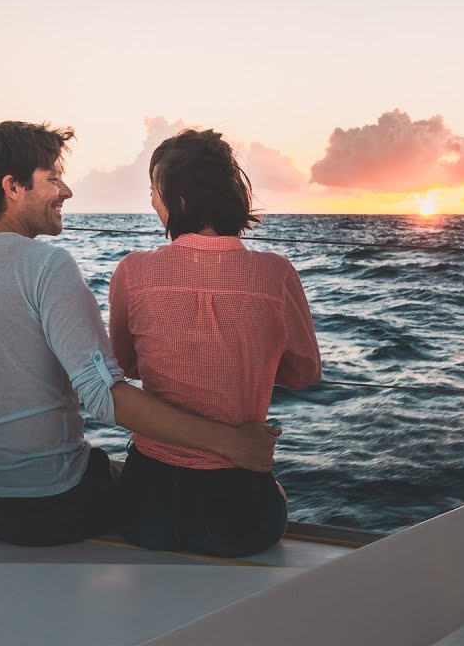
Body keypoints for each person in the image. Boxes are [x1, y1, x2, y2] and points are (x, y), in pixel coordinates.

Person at [0, 120, 281, 547]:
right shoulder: (47, 265)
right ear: (12, 187)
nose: (66, 192)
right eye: (52, 180)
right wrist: (232, 443)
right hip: (50, 505)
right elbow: (104, 397)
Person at [108, 129, 322, 558]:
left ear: (180, 201)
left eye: (154, 191)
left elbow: (126, 366)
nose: (151, 202)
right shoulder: (275, 274)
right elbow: (304, 373)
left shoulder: (132, 272)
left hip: (143, 507)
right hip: (238, 514)